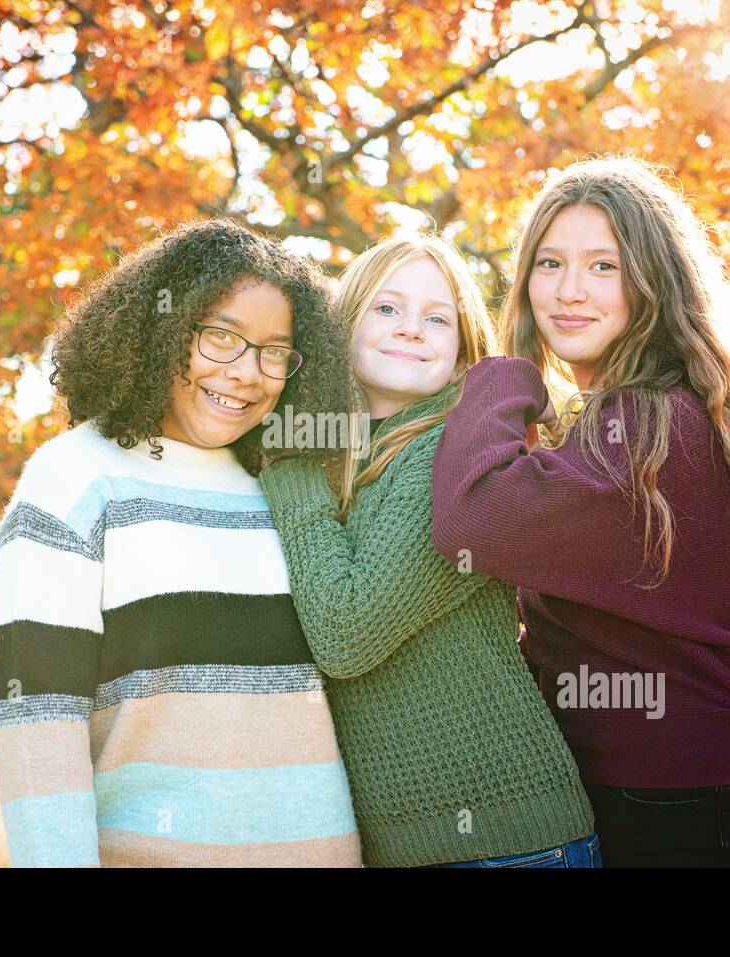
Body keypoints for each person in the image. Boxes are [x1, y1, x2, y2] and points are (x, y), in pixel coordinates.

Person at [431, 156, 730, 867]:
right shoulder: (638, 416)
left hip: (701, 801)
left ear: (654, 281)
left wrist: (504, 372)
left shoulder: (649, 428)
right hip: (681, 787)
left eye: (603, 267)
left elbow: (471, 517)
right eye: (549, 264)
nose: (569, 291)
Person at [0, 219, 362, 866]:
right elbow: (37, 724)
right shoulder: (75, 480)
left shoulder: (285, 486)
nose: (247, 373)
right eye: (221, 337)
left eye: (275, 351)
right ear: (164, 329)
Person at [257, 234, 600, 868]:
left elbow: (345, 630)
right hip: (396, 847)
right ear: (342, 325)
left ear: (464, 350)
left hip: (503, 843)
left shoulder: (454, 457)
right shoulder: (344, 456)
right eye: (386, 309)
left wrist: (291, 469)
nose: (411, 329)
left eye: (437, 318)